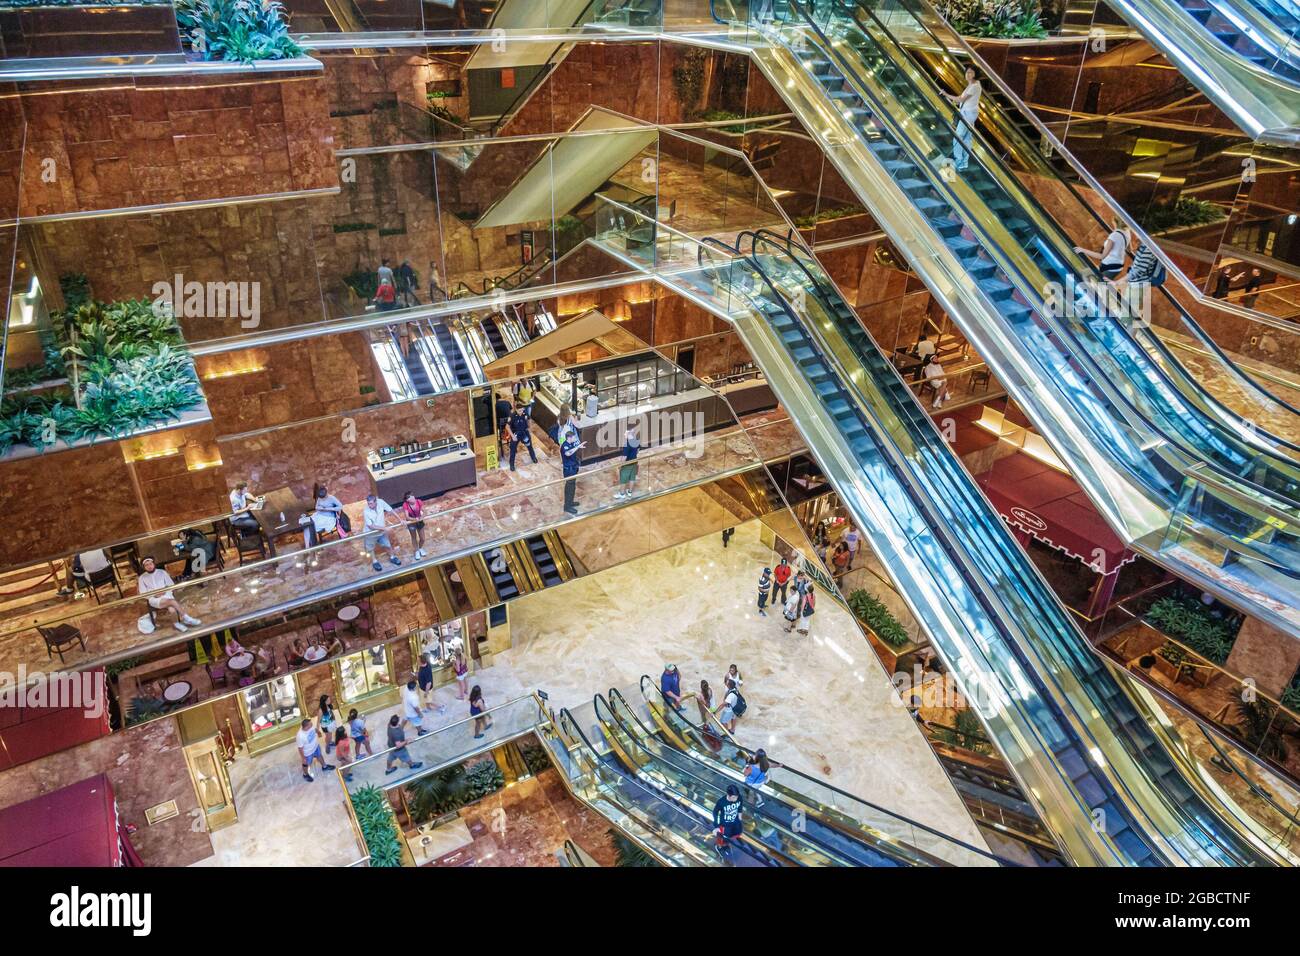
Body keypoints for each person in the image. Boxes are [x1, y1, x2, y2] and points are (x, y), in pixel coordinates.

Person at [137, 556, 201, 633]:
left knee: (172, 609)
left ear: (154, 564)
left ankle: (176, 624)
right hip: (154, 599)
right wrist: (154, 595)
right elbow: (143, 593)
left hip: (166, 594)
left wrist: (165, 591)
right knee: (172, 602)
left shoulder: (162, 572)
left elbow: (171, 585)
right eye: (146, 565)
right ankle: (186, 618)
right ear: (144, 567)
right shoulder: (142, 578)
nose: (149, 566)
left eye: (150, 564)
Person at [946, 66, 982, 172]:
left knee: (958, 137)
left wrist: (946, 94)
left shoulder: (974, 86)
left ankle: (959, 160)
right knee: (966, 139)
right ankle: (964, 162)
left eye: (971, 72)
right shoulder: (973, 85)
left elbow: (961, 99)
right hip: (969, 114)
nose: (968, 74)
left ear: (975, 74)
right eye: (967, 72)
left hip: (968, 115)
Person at [362, 494, 404, 572]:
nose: (369, 505)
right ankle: (374, 561)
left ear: (376, 502)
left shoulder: (380, 502)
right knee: (370, 548)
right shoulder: (366, 511)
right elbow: (371, 526)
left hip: (381, 532)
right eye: (368, 503)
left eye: (371, 503)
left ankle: (392, 557)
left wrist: (400, 519)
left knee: (387, 544)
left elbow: (390, 510)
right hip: (370, 533)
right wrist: (385, 528)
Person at [296, 718, 334, 782]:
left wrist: (318, 732)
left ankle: (324, 767)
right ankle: (305, 774)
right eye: (310, 724)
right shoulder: (300, 736)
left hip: (316, 747)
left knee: (320, 756)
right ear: (306, 726)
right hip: (308, 753)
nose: (312, 724)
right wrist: (303, 758)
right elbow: (300, 748)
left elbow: (314, 729)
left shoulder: (310, 726)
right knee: (307, 764)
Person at [713, 784, 744, 857]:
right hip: (725, 825)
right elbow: (715, 813)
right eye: (733, 797)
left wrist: (740, 816)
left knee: (734, 835)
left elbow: (740, 807)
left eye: (736, 797)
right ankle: (719, 847)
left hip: (735, 822)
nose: (735, 799)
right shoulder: (721, 802)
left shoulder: (739, 798)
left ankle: (727, 844)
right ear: (728, 795)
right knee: (723, 838)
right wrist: (717, 826)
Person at [505, 403, 537, 471]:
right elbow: (507, 427)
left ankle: (533, 457)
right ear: (516, 409)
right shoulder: (512, 416)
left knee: (529, 446)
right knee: (513, 449)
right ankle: (512, 464)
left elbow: (529, 419)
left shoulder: (525, 413)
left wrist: (530, 428)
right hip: (516, 434)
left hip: (524, 432)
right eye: (519, 411)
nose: (521, 412)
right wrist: (512, 436)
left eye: (522, 410)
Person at [560, 427, 585, 516]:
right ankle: (567, 506)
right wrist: (578, 447)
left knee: (573, 487)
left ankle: (570, 502)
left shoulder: (571, 444)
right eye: (574, 437)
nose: (575, 439)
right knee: (569, 488)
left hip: (573, 468)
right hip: (568, 470)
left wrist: (579, 446)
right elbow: (568, 453)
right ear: (569, 438)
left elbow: (574, 450)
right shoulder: (565, 445)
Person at [615, 419, 640, 499]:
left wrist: (620, 465)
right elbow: (638, 450)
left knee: (623, 479)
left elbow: (624, 457)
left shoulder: (627, 444)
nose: (624, 434)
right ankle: (629, 492)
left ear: (629, 433)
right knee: (632, 477)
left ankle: (622, 494)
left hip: (627, 464)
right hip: (634, 461)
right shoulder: (636, 440)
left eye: (625, 432)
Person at [401, 492, 427, 560]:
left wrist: (421, 517)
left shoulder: (419, 501)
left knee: (423, 538)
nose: (412, 497)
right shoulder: (405, 505)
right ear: (407, 500)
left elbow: (425, 511)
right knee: (414, 537)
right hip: (411, 523)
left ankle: (420, 548)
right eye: (410, 497)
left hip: (419, 521)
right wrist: (415, 519)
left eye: (412, 495)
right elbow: (407, 517)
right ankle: (416, 551)